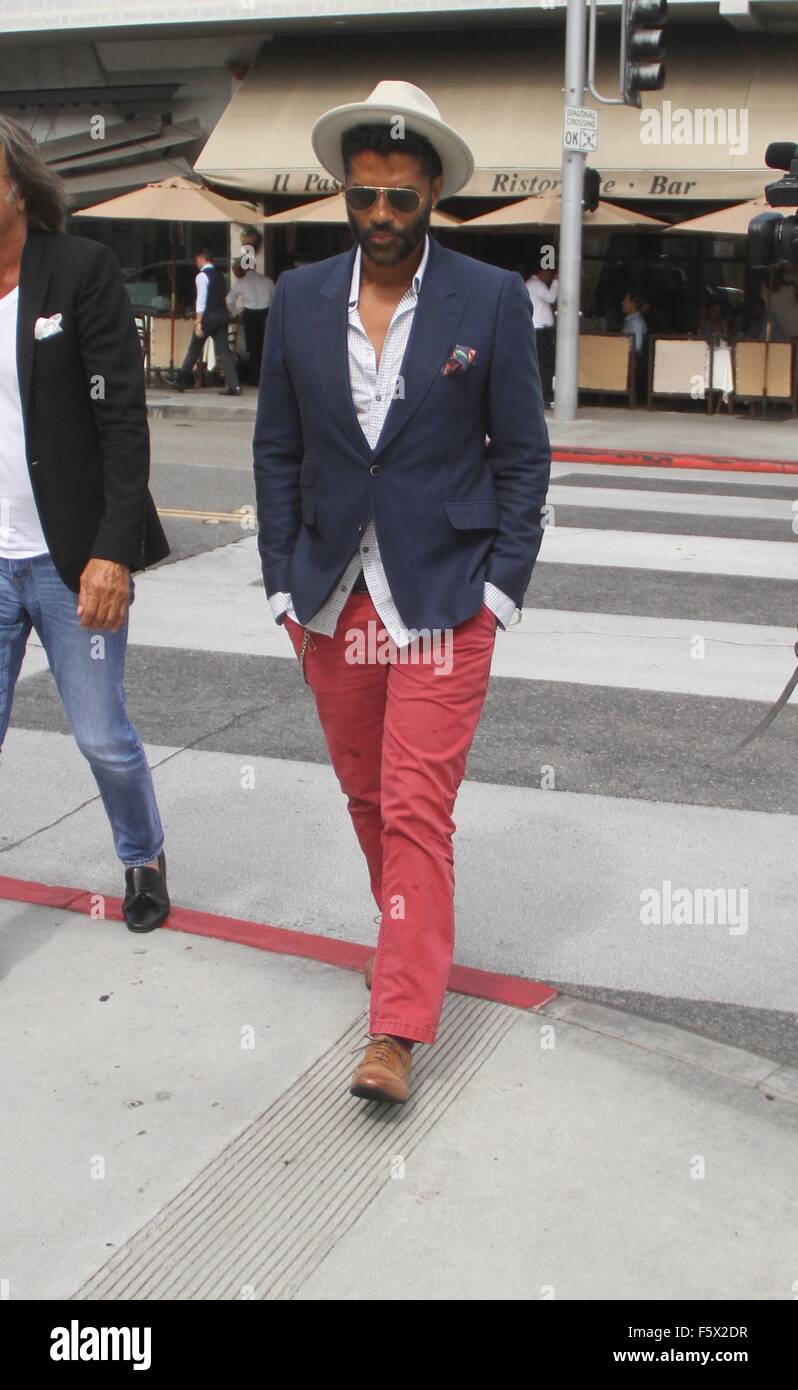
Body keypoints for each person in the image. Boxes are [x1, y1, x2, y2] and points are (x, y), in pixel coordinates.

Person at [253, 80, 550, 1105]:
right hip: (334, 599)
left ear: (434, 197)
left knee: (418, 806)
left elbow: (522, 455)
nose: (380, 217)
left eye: (402, 200)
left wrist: (503, 590)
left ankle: (397, 1027)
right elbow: (277, 448)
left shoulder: (491, 300)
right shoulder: (297, 301)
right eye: (363, 197)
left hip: (443, 595)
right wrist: (282, 591)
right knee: (369, 795)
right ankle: (407, 938)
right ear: (346, 193)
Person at [0, 116, 171, 932]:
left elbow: (124, 421)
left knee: (102, 737)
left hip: (69, 559)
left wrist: (113, 550)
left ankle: (141, 856)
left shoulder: (80, 271)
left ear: (17, 186)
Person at [170, 249, 240, 395]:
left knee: (194, 348)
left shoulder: (202, 276)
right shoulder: (221, 276)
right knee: (224, 351)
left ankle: (181, 381)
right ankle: (234, 385)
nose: (196, 263)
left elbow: (201, 300)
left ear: (201, 259)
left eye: (197, 260)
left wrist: (198, 321)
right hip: (221, 316)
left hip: (208, 318)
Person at [226, 258, 275, 384]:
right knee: (267, 347)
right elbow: (276, 298)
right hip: (266, 315)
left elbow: (229, 301)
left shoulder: (241, 283)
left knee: (253, 348)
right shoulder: (267, 280)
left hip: (250, 316)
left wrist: (236, 313)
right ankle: (268, 378)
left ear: (243, 268)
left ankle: (255, 379)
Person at [525, 264, 558, 406]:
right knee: (545, 364)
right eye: (549, 274)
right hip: (540, 330)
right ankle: (544, 395)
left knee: (542, 363)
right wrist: (557, 281)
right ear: (543, 271)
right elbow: (551, 298)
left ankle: (544, 394)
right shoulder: (535, 284)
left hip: (540, 330)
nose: (549, 278)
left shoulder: (532, 285)